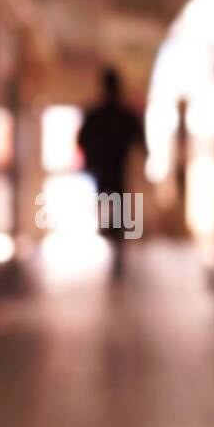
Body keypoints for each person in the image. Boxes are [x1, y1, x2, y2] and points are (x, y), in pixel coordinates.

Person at [77, 66, 145, 278]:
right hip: (117, 170)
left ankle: (113, 241)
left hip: (103, 170)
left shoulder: (96, 114)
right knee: (118, 210)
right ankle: (116, 244)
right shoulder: (124, 115)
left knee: (108, 207)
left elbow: (81, 140)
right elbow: (141, 142)